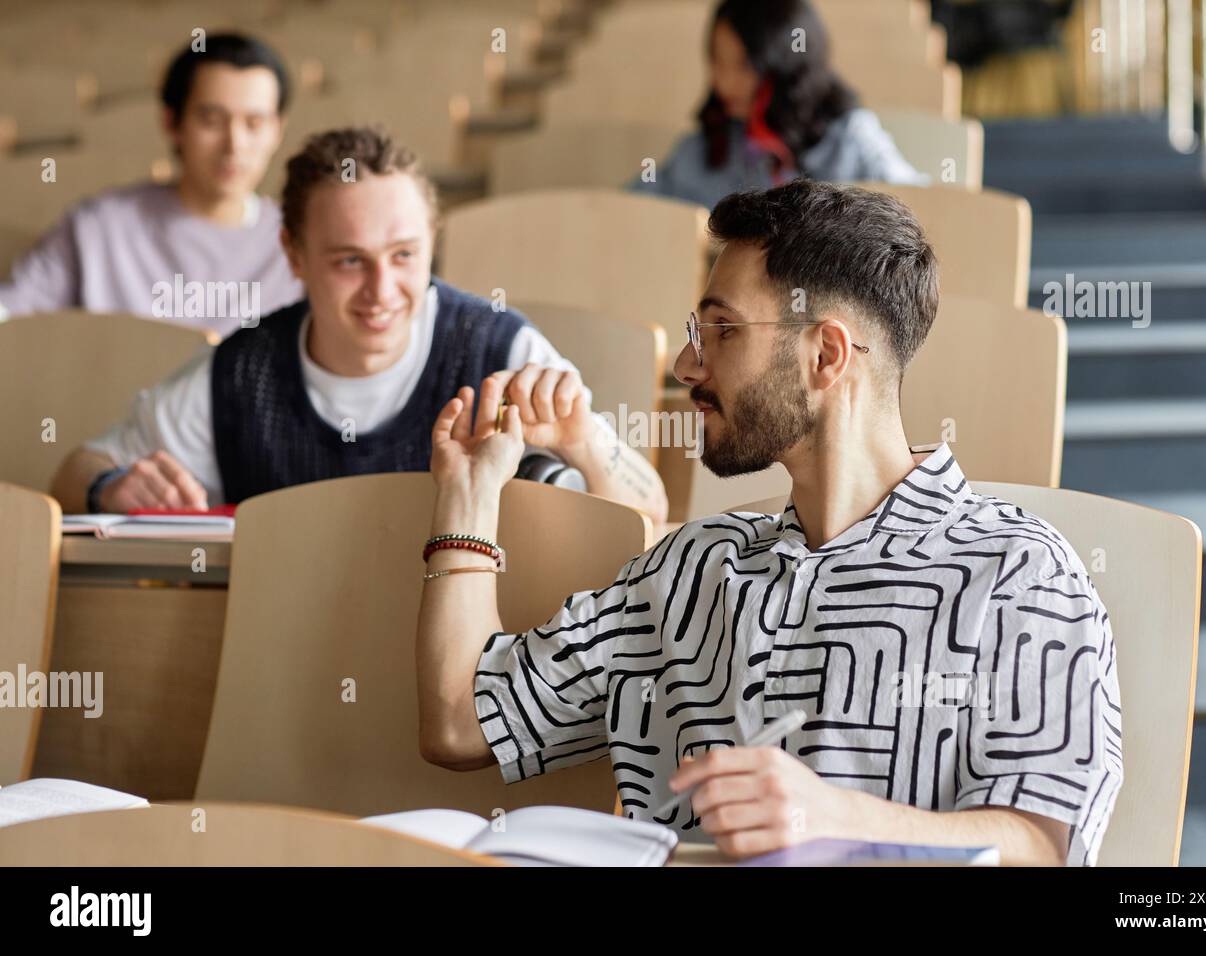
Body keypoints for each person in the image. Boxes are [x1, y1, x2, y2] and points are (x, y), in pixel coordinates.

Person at [415, 179, 1122, 867]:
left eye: (721, 329)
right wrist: (471, 493)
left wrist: (832, 820)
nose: (689, 365)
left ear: (826, 355)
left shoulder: (1019, 573)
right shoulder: (692, 568)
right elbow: (461, 723)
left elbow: (1042, 848)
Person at [48, 126, 668, 525]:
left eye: (404, 256)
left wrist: (589, 445)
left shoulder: (499, 348)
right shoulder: (241, 373)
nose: (381, 291)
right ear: (294, 254)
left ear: (432, 244)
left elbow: (649, 511)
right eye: (349, 261)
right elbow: (73, 473)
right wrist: (108, 487)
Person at [0, 33, 302, 331]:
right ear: (172, 123)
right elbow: (12, 312)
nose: (234, 145)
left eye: (254, 124)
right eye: (211, 121)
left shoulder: (299, 247)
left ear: (278, 131)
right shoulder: (100, 228)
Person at [630, 0, 928, 209]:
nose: (725, 83)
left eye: (745, 66)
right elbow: (635, 209)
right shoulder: (705, 148)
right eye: (717, 62)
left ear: (788, 68)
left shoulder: (851, 140)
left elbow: (923, 208)